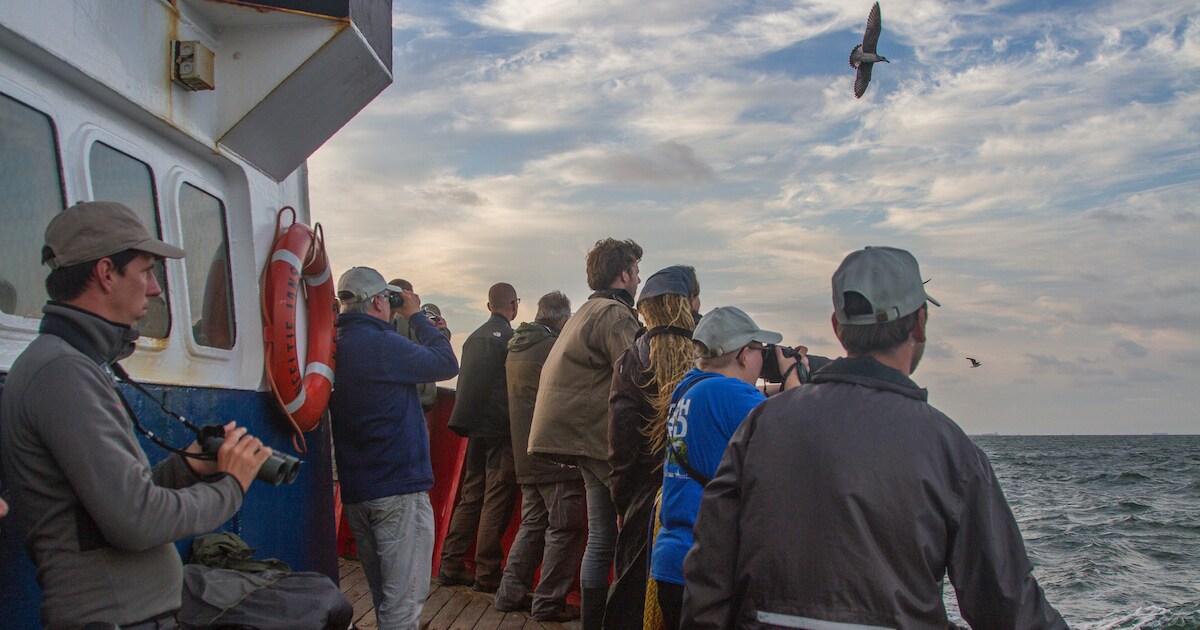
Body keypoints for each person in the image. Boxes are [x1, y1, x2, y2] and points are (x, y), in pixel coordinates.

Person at [682, 246, 1067, 629]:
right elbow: (1008, 606)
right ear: (920, 324)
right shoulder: (950, 449)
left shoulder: (759, 426)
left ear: (837, 326)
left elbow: (709, 574)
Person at [0, 201, 272, 629]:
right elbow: (136, 522)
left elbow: (103, 508)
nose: (155, 289)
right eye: (146, 271)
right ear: (107, 273)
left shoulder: (68, 364)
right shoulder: (62, 372)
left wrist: (186, 468)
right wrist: (231, 486)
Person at [651, 307, 802, 628]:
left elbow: (741, 399)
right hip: (704, 565)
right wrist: (793, 378)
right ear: (745, 356)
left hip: (673, 557)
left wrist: (775, 388)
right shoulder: (727, 395)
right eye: (760, 351)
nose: (764, 360)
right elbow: (801, 436)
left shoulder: (691, 388)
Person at [329, 266, 459, 629]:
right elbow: (447, 362)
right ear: (376, 303)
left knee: (384, 601)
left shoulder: (336, 345)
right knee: (403, 607)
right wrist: (415, 313)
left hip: (359, 493)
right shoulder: (382, 345)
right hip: (398, 493)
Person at [528, 237, 643, 630]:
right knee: (636, 530)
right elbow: (636, 377)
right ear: (624, 274)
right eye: (636, 271)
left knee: (600, 539)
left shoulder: (583, 312)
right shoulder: (615, 315)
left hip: (581, 441)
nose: (639, 278)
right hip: (599, 440)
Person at [607, 265, 701, 628]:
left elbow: (622, 447)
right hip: (694, 501)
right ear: (689, 304)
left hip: (645, 502)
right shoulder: (707, 356)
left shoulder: (632, 360)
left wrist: (622, 504)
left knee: (632, 600)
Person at [494, 291, 586, 622]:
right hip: (555, 455)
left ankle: (509, 593)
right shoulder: (554, 348)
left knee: (533, 524)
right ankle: (548, 603)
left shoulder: (518, 346)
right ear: (564, 318)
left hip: (525, 453)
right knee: (565, 528)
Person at [440, 283, 521, 593]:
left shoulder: (473, 337)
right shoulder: (511, 341)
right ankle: (487, 573)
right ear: (513, 305)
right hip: (500, 431)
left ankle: (450, 562)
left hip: (472, 429)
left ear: (489, 307)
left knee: (471, 495)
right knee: (496, 499)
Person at [389, 278, 451, 411]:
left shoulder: (386, 322)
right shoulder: (418, 322)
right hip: (422, 397)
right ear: (410, 295)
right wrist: (442, 330)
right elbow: (441, 354)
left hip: (396, 397)